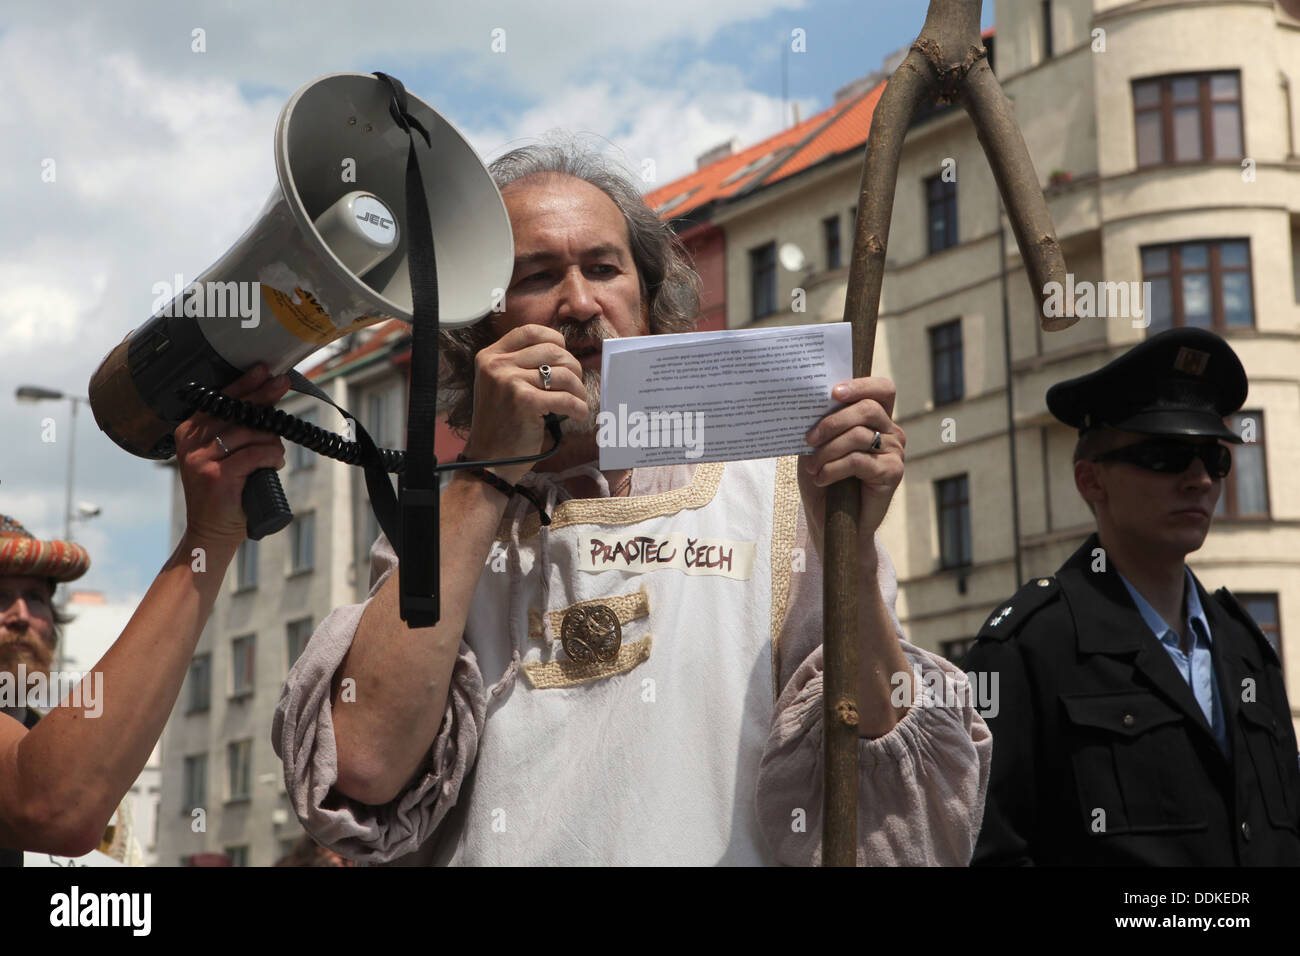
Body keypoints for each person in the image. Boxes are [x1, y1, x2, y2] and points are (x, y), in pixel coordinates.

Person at [274, 142, 990, 866]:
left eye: (604, 268)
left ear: (649, 306)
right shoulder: (443, 525)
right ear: (480, 329)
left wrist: (852, 552)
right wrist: (488, 476)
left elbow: (901, 814)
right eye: (538, 275)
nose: (580, 303)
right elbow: (362, 764)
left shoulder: (780, 490)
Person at [965, 327, 1300, 866]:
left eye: (1214, 459)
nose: (1199, 480)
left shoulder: (1246, 648)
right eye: (1167, 456)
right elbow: (994, 855)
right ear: (1090, 481)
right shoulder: (1026, 649)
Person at [0, 366, 289, 865]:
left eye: (36, 596)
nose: (21, 616)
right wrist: (211, 536)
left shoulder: (89, 763)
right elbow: (51, 806)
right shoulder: (66, 770)